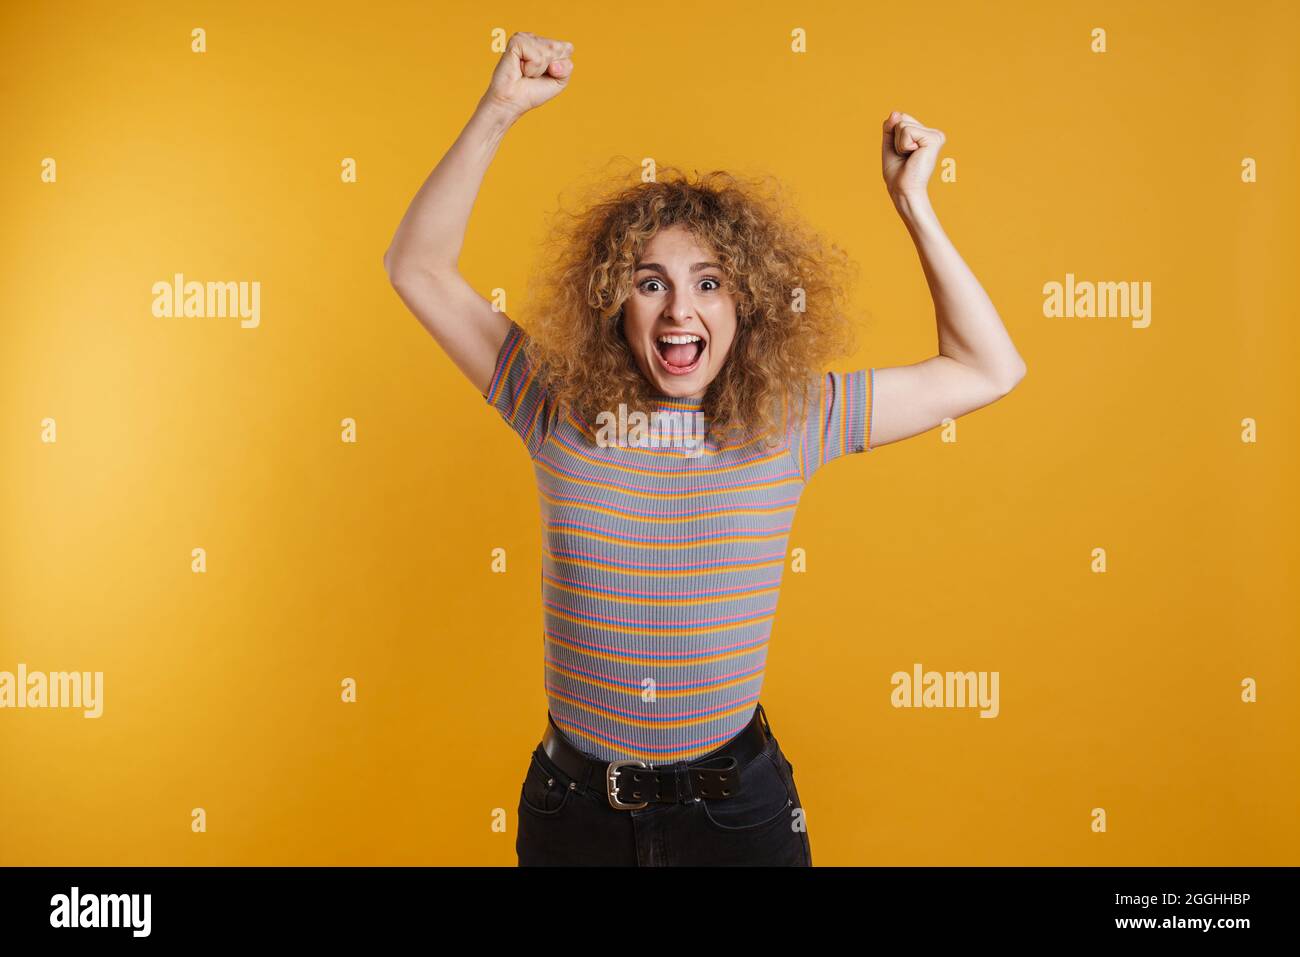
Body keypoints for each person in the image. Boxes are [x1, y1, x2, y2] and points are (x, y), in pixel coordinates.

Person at [384, 31, 1027, 866]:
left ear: (747, 305)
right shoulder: (554, 404)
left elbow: (988, 367)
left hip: (739, 818)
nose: (679, 309)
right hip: (576, 814)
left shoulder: (794, 418)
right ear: (615, 304)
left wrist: (915, 204)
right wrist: (498, 110)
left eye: (709, 283)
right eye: (651, 282)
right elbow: (417, 267)